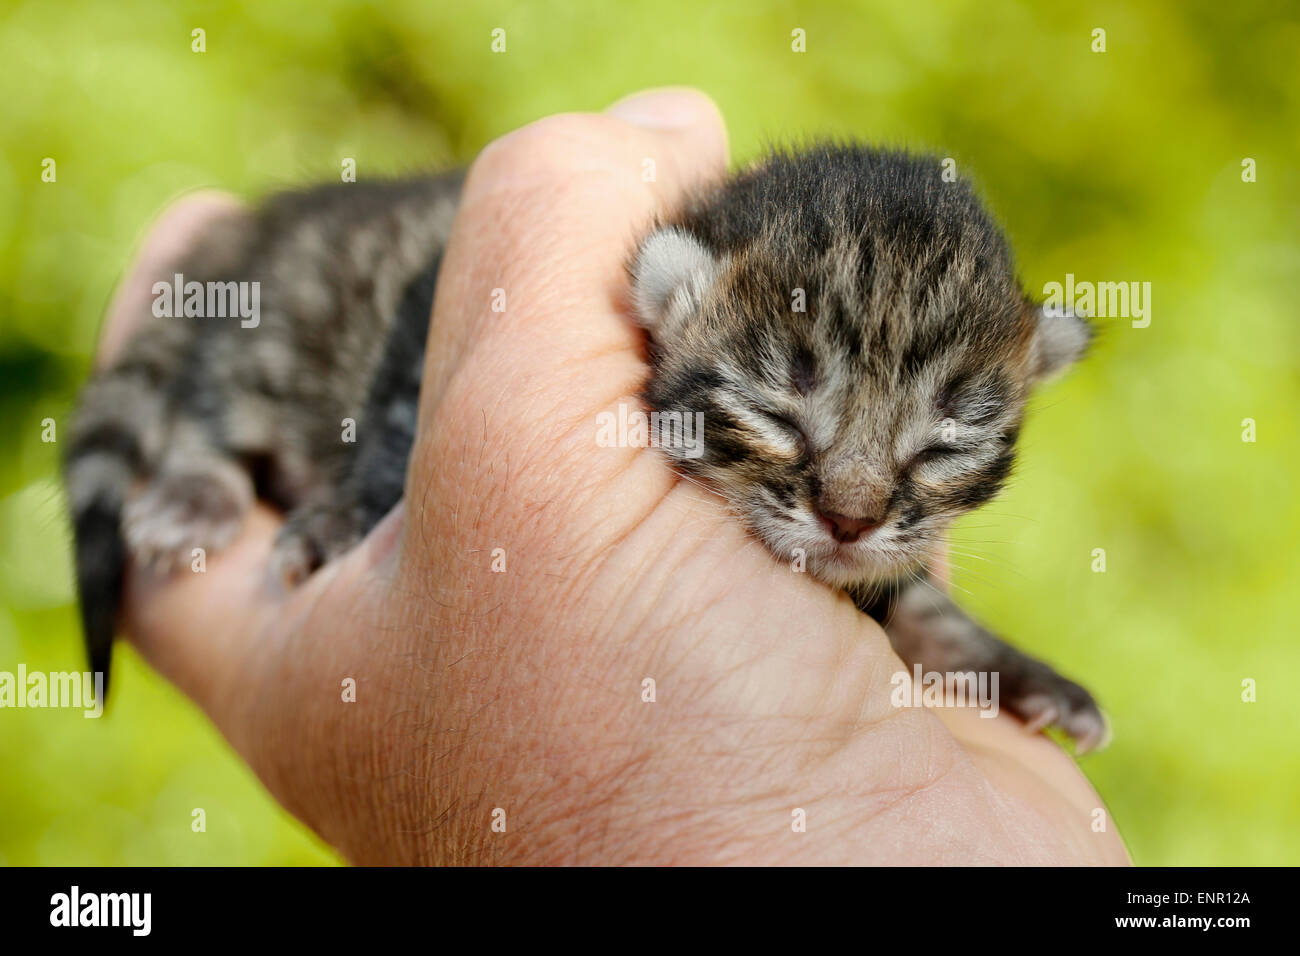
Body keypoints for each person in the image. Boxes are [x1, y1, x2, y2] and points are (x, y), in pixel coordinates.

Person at [99, 88, 1128, 865]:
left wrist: (959, 666)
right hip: (304, 326)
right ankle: (197, 446)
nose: (853, 506)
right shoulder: (597, 377)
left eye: (939, 447)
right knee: (283, 341)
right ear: (676, 303)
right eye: (778, 413)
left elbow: (879, 585)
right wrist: (366, 503)